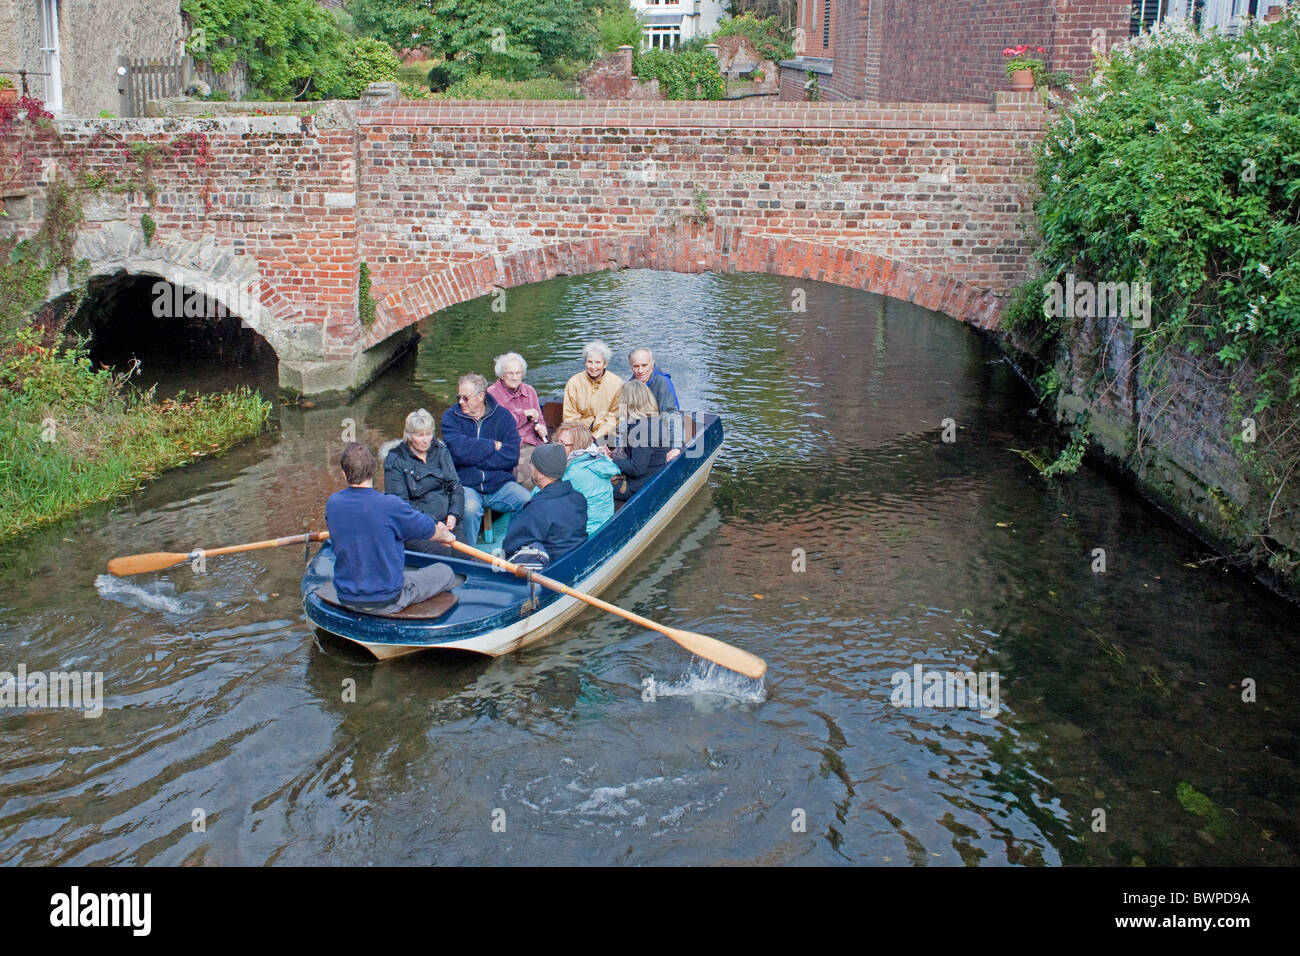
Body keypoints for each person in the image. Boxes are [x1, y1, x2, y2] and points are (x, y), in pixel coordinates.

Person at [325, 442, 456, 613]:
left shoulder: (333, 503)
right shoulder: (390, 505)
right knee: (446, 571)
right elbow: (430, 531)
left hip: (345, 596)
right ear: (373, 470)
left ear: (343, 474)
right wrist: (445, 536)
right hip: (387, 599)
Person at [441, 372, 531, 546]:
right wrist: (491, 446)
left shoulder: (503, 417)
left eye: (465, 398)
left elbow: (511, 457)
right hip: (466, 484)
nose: (460, 402)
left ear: (481, 396)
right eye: (459, 397)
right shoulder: (450, 417)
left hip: (499, 485)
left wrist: (472, 456)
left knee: (527, 501)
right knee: (470, 508)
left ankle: (514, 546)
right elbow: (458, 452)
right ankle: (467, 557)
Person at [383, 408, 465, 552]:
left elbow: (455, 486)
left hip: (446, 521)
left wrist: (454, 514)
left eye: (429, 434)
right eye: (420, 435)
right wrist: (433, 523)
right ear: (409, 435)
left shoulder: (440, 451)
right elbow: (401, 504)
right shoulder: (396, 459)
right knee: (442, 552)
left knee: (464, 556)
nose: (426, 440)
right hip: (416, 526)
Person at [501, 443, 588, 565]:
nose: (530, 466)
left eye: (532, 463)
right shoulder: (578, 498)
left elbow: (511, 546)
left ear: (541, 474)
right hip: (578, 559)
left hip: (553, 569)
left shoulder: (536, 508)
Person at [609, 379, 682, 500]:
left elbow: (637, 469)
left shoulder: (641, 430)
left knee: (592, 483)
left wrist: (611, 460)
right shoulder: (653, 420)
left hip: (637, 487)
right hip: (651, 476)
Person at [486, 351, 548, 488]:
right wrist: (524, 414)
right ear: (502, 375)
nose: (515, 377)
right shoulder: (491, 394)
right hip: (509, 445)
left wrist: (542, 429)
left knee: (553, 469)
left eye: (518, 373)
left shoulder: (529, 391)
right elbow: (500, 426)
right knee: (531, 479)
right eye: (510, 373)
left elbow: (540, 420)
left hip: (533, 442)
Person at [553, 421, 620, 536]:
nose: (557, 448)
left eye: (563, 444)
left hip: (586, 534)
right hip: (601, 526)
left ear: (577, 446)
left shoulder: (573, 473)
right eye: (557, 442)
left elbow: (543, 497)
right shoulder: (594, 459)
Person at [562, 340, 624, 442]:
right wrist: (583, 436)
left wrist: (595, 436)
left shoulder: (617, 383)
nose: (593, 367)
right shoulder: (574, 382)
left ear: (605, 364)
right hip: (579, 434)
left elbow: (614, 417)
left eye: (598, 362)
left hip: (606, 434)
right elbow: (570, 416)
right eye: (589, 362)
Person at [628, 347, 679, 414]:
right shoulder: (629, 385)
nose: (640, 371)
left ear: (652, 364)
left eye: (644, 365)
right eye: (636, 366)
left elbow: (671, 413)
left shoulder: (662, 382)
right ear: (631, 366)